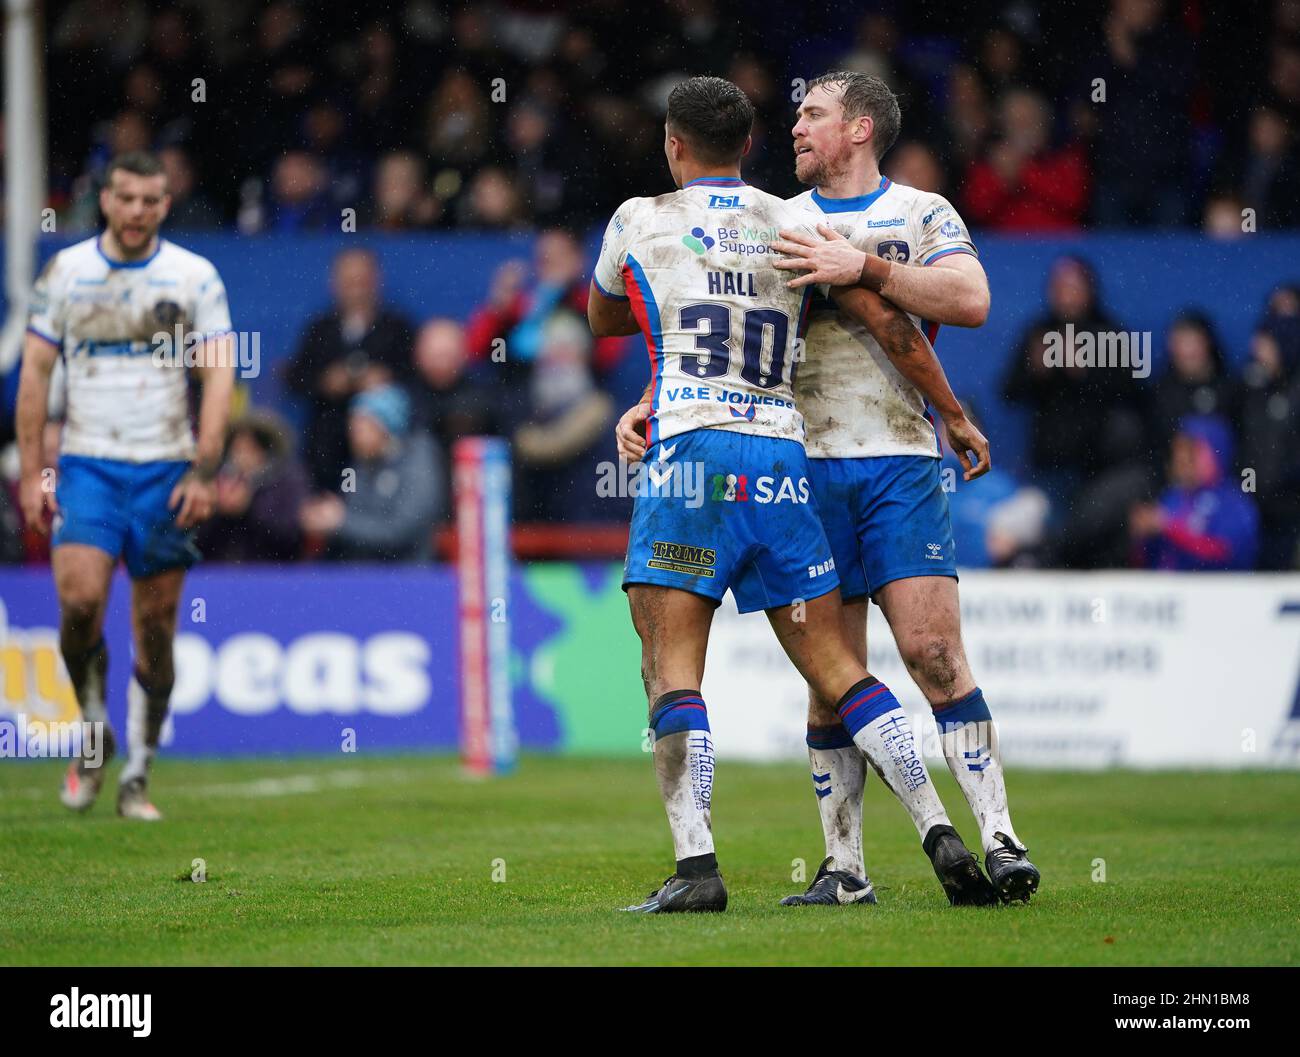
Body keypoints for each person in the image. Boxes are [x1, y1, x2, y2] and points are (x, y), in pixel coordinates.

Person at [619, 71, 1040, 906]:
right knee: (830, 679)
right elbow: (722, 334)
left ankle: (999, 838)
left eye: (811, 114)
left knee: (933, 654)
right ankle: (845, 866)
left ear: (857, 128)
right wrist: (647, 399)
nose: (797, 127)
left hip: (898, 460)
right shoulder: (782, 220)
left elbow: (969, 299)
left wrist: (871, 272)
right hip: (801, 464)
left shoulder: (920, 212)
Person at [15, 150, 235, 820]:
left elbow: (220, 373)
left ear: (165, 206)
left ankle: (138, 771)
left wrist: (204, 467)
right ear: (105, 200)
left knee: (156, 630)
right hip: (88, 464)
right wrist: (32, 474)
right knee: (79, 603)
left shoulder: (194, 276)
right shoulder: (69, 272)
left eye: (152, 201)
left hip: (166, 466)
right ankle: (90, 732)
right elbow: (34, 375)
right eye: (127, 198)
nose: (138, 211)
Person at [285, 248, 416, 490]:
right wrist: (327, 382)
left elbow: (416, 376)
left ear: (376, 281)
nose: (356, 287)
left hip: (385, 439)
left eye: (362, 280)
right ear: (334, 283)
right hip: (329, 438)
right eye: (348, 280)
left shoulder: (398, 327)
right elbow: (296, 377)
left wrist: (385, 380)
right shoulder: (320, 329)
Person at [299, 385, 441, 561]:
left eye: (363, 426)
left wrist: (340, 522)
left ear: (387, 427)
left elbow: (401, 531)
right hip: (360, 573)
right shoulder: (357, 466)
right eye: (353, 426)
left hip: (407, 576)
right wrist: (326, 516)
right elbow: (351, 511)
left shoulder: (419, 460)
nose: (354, 435)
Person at [1130, 415, 1259, 571]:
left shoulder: (1234, 502)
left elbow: (1228, 555)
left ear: (1217, 451)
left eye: (1192, 450)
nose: (1181, 459)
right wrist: (1141, 537)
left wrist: (1169, 528)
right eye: (1178, 450)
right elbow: (1148, 562)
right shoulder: (1171, 497)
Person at [197, 410, 308, 562]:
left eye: (250, 449)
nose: (242, 457)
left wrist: (249, 507)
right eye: (237, 449)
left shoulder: (287, 480)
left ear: (265, 451)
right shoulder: (213, 479)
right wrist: (218, 510)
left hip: (271, 573)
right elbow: (197, 539)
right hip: (217, 572)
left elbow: (289, 534)